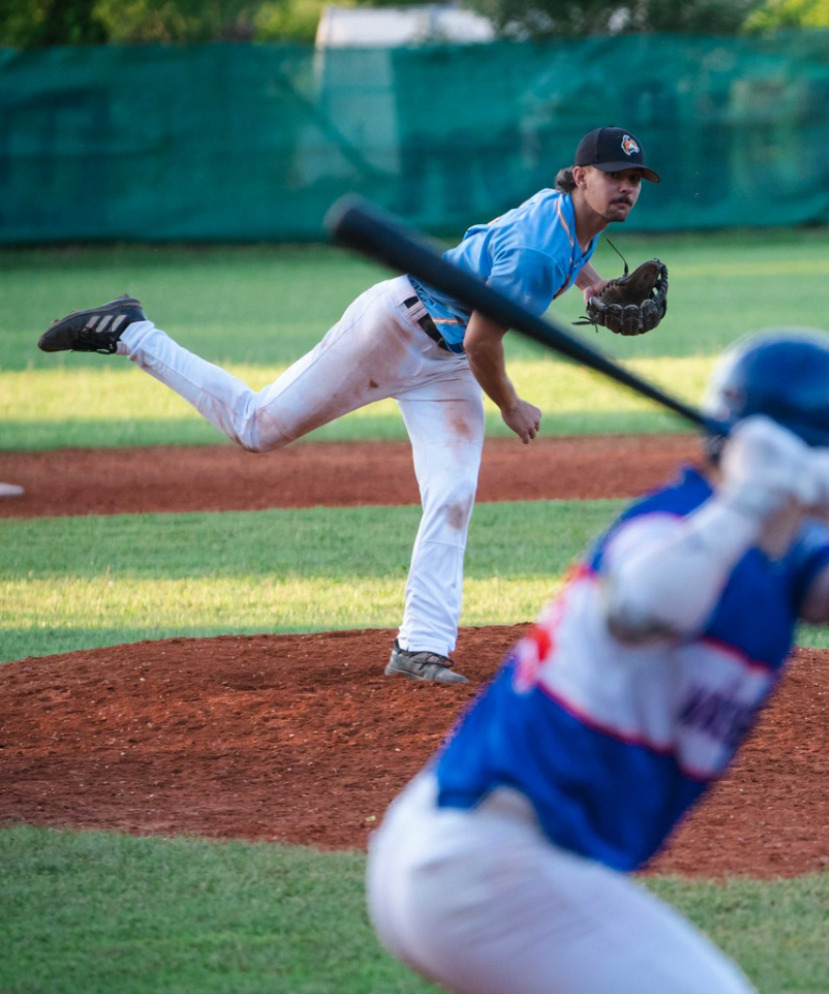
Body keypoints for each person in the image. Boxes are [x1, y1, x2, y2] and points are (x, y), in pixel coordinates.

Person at [365, 329, 829, 994]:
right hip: (493, 865)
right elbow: (641, 609)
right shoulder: (666, 531)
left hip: (454, 856)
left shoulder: (789, 560)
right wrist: (745, 502)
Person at [35, 126, 668, 682]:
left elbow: (558, 265)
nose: (626, 188)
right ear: (581, 176)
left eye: (635, 178)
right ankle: (132, 333)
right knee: (256, 427)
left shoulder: (569, 215)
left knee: (452, 493)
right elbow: (484, 341)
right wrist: (510, 405)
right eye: (615, 175)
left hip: (442, 363)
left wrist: (594, 288)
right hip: (392, 332)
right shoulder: (540, 249)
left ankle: (421, 647)